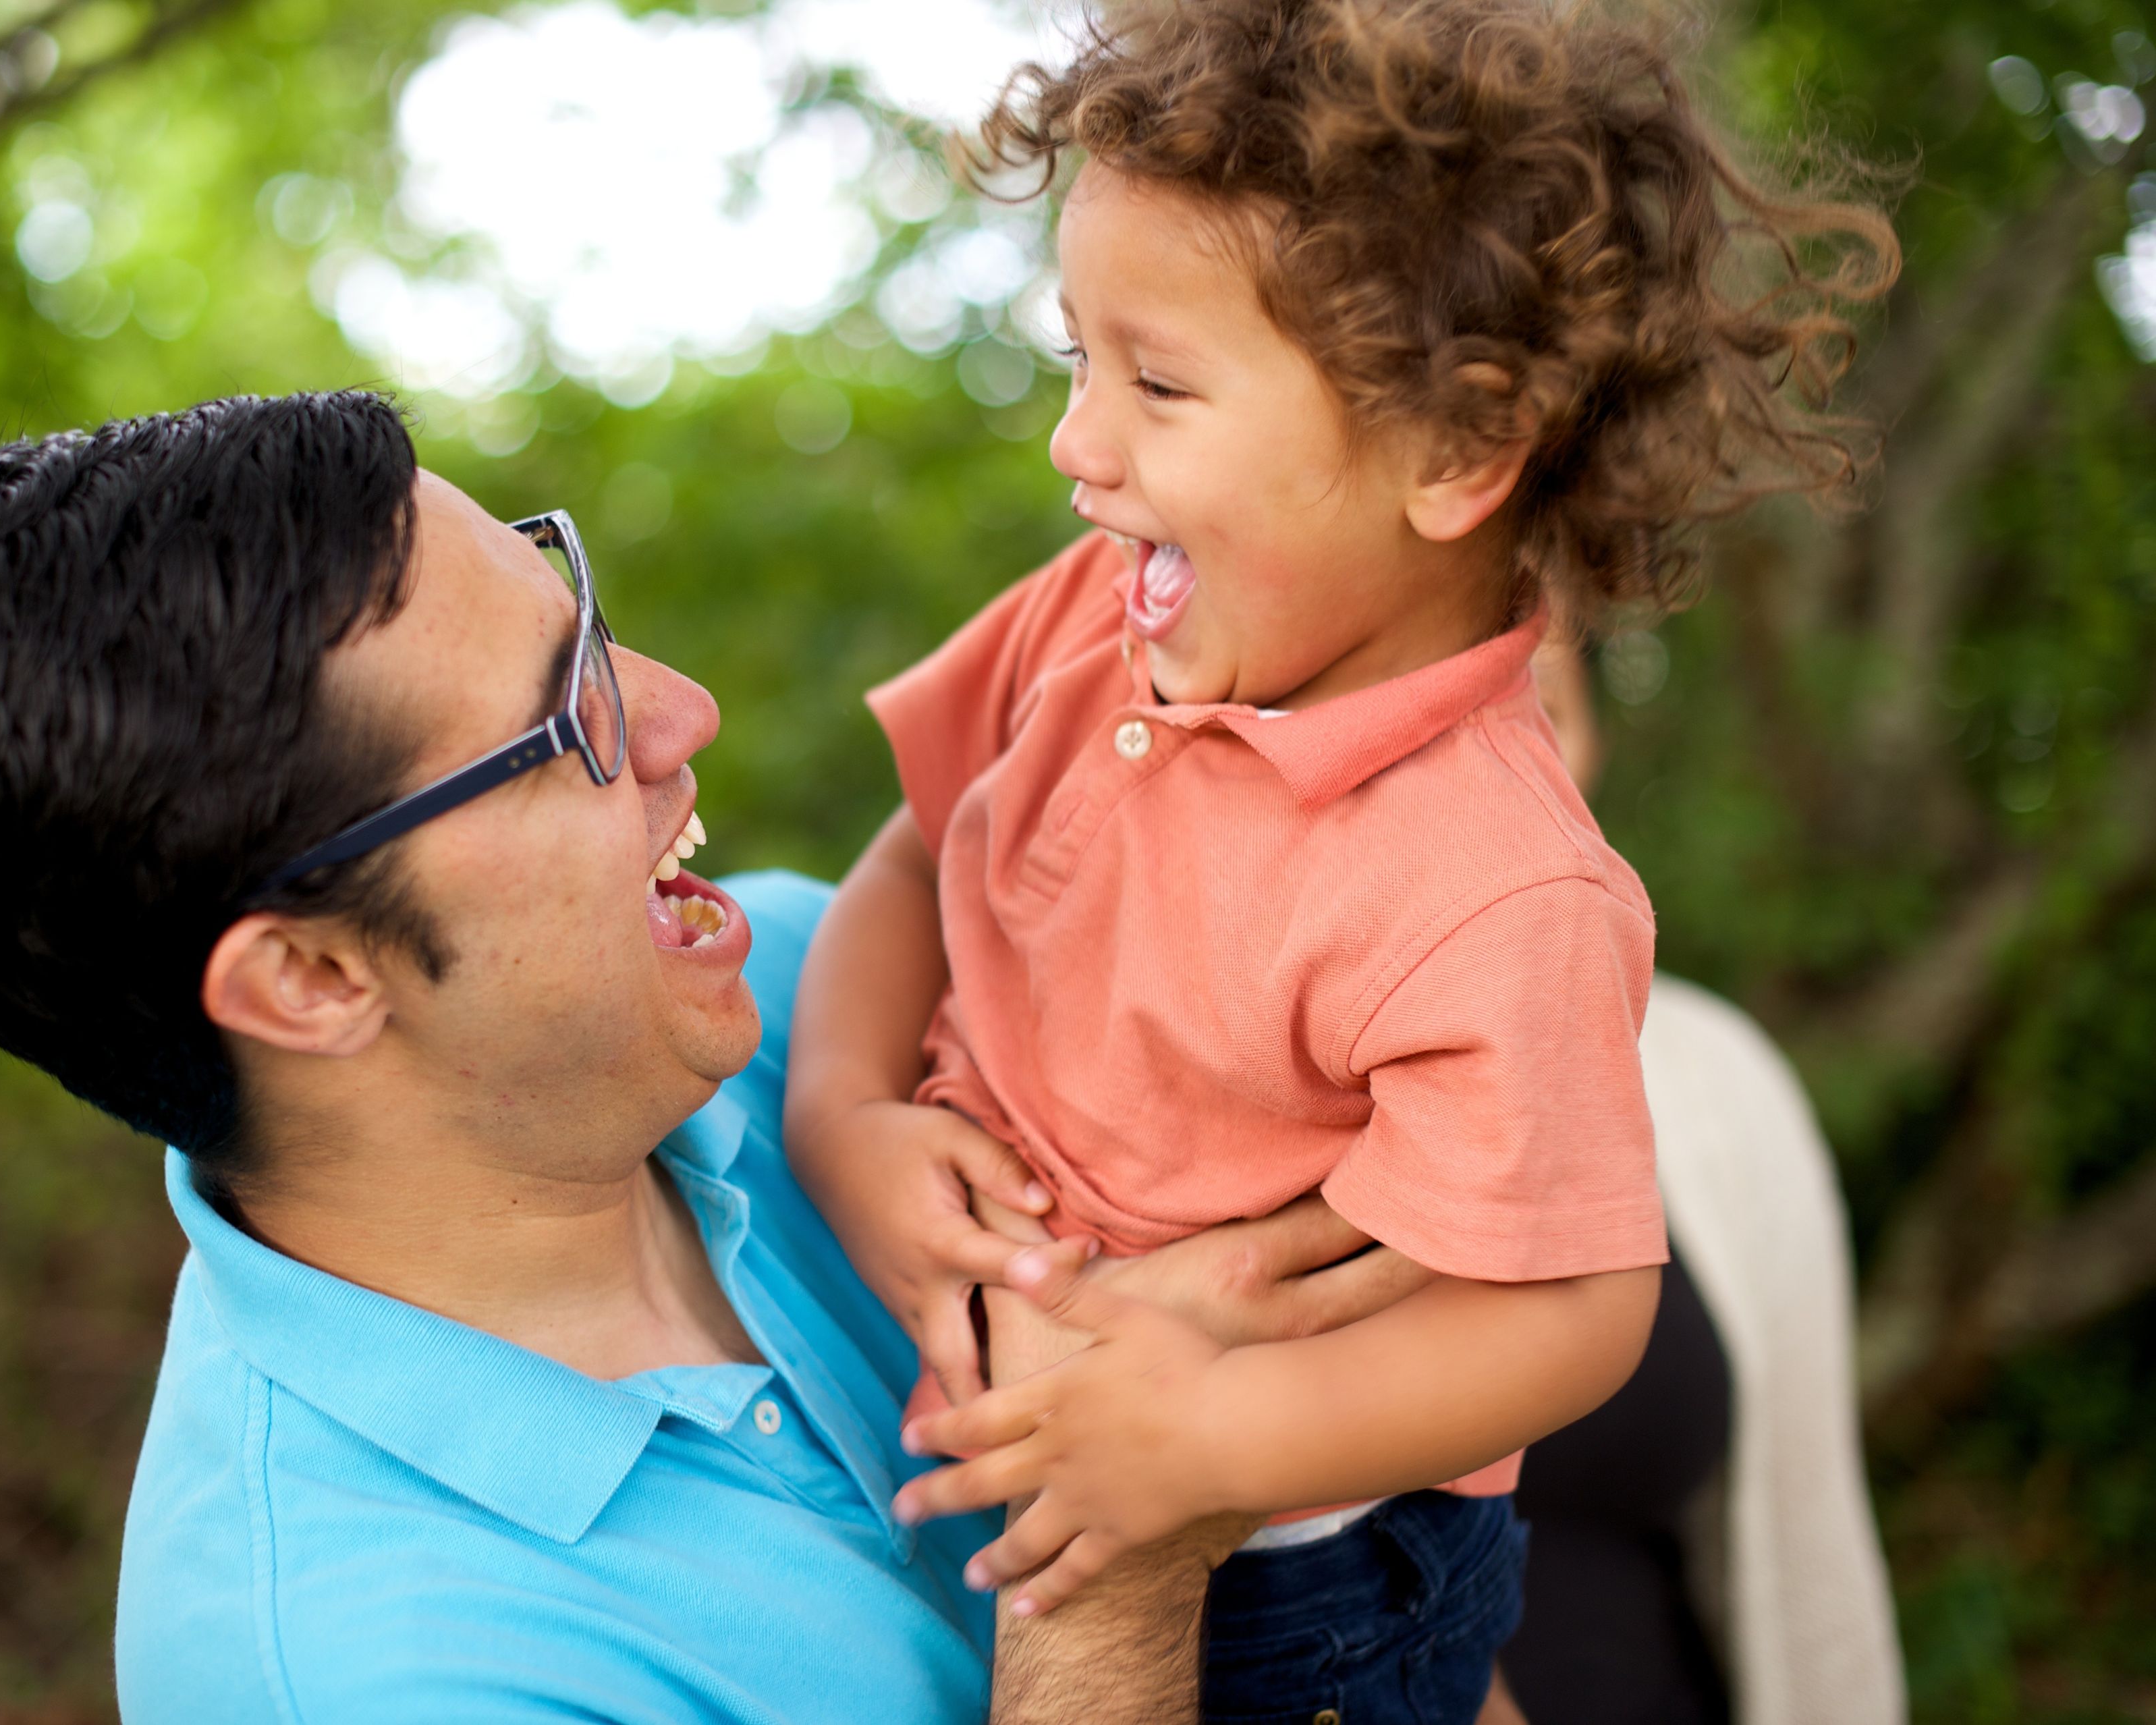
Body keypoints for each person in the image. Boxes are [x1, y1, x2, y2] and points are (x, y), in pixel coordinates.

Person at [0, 389, 1433, 1723]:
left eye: (581, 611)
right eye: (565, 717)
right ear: (310, 976)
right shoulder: (361, 1674)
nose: (679, 713)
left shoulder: (808, 991)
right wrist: (1123, 1577)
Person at [782, 0, 1900, 1715]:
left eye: (1157, 382)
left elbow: (1571, 1313)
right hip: (983, 1448)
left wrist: (1215, 1437)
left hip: (1300, 1590)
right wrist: (845, 1117)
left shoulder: (1496, 882)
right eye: (1077, 357)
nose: (1080, 446)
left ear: (1456, 450)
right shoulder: (1096, 620)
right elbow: (912, 862)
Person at [1493, 651, 1908, 1725]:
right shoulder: (1224, 1073)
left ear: (1593, 748)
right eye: (1441, 701)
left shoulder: (1719, 1079)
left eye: (1538, 705)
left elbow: (1813, 1544)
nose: (1496, 749)